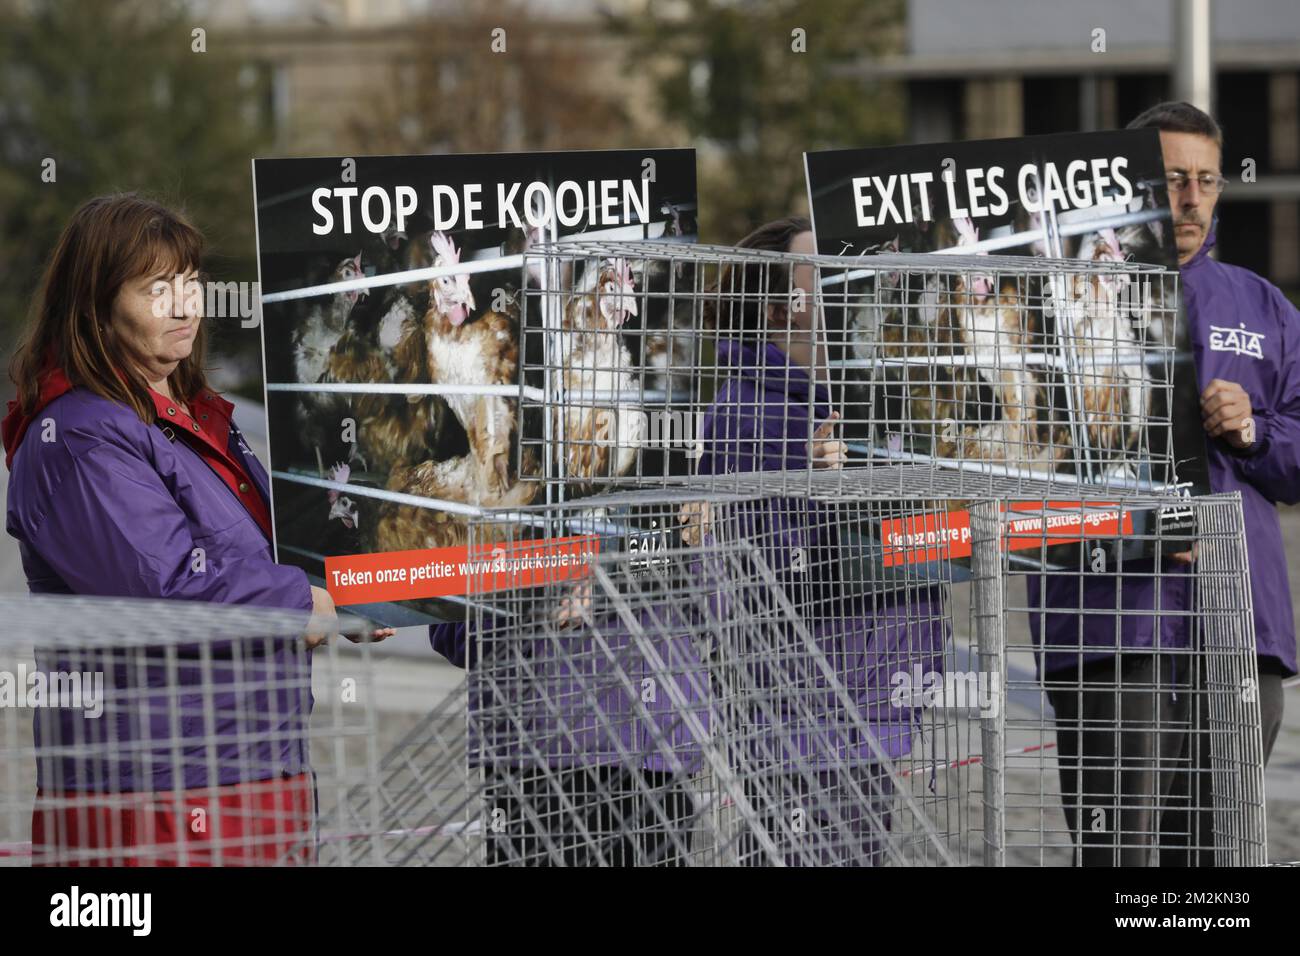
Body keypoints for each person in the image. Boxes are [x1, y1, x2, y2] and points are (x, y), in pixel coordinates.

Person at [3, 193, 392, 865]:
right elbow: (166, 589)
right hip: (153, 789)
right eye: (157, 289)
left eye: (191, 283)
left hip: (249, 760)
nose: (185, 307)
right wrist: (301, 603)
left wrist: (352, 587)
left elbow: (257, 560)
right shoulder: (80, 437)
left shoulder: (187, 417)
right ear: (95, 303)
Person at [1030, 102, 1299, 866]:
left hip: (1241, 627)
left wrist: (1253, 430)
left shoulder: (1264, 307)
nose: (1188, 198)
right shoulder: (1054, 295)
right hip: (1110, 623)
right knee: (1124, 863)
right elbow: (1017, 459)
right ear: (1131, 181)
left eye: (1205, 181)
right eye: (1172, 177)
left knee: (1219, 865)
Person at [694, 216, 949, 865]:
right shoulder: (748, 410)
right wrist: (817, 490)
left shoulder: (870, 395)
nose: (846, 281)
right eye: (822, 274)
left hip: (874, 701)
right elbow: (745, 579)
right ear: (779, 309)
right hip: (803, 716)